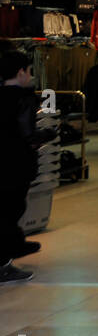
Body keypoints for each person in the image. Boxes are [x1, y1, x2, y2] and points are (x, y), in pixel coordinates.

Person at [1, 50, 40, 283]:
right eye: (28, 71)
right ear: (21, 72)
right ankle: (4, 263)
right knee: (11, 210)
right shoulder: (23, 98)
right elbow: (28, 134)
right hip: (15, 164)